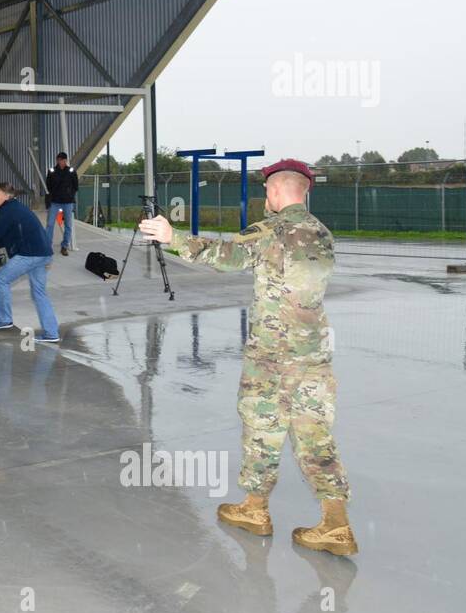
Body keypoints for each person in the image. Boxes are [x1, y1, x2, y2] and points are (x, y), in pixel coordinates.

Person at [138, 158, 356, 556]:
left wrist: (173, 237)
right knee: (315, 438)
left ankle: (255, 510)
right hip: (313, 357)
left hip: (271, 358)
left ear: (274, 192)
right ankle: (336, 524)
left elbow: (226, 255)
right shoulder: (321, 233)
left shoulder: (271, 230)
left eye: (265, 192)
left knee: (262, 430)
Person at [0, 183, 59, 343]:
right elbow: (6, 235)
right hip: (43, 253)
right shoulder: (15, 209)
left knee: (0, 279)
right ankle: (51, 333)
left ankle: (3, 319)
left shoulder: (8, 211)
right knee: (39, 293)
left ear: (7, 196)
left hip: (30, 254)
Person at [45, 151, 78, 256]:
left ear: (66, 160)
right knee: (50, 224)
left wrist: (70, 194)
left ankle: (64, 246)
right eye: (59, 160)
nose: (61, 162)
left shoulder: (71, 171)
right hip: (55, 202)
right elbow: (48, 185)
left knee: (68, 225)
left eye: (63, 160)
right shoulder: (52, 171)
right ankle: (47, 246)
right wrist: (54, 194)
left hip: (68, 202)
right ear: (57, 160)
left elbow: (76, 186)